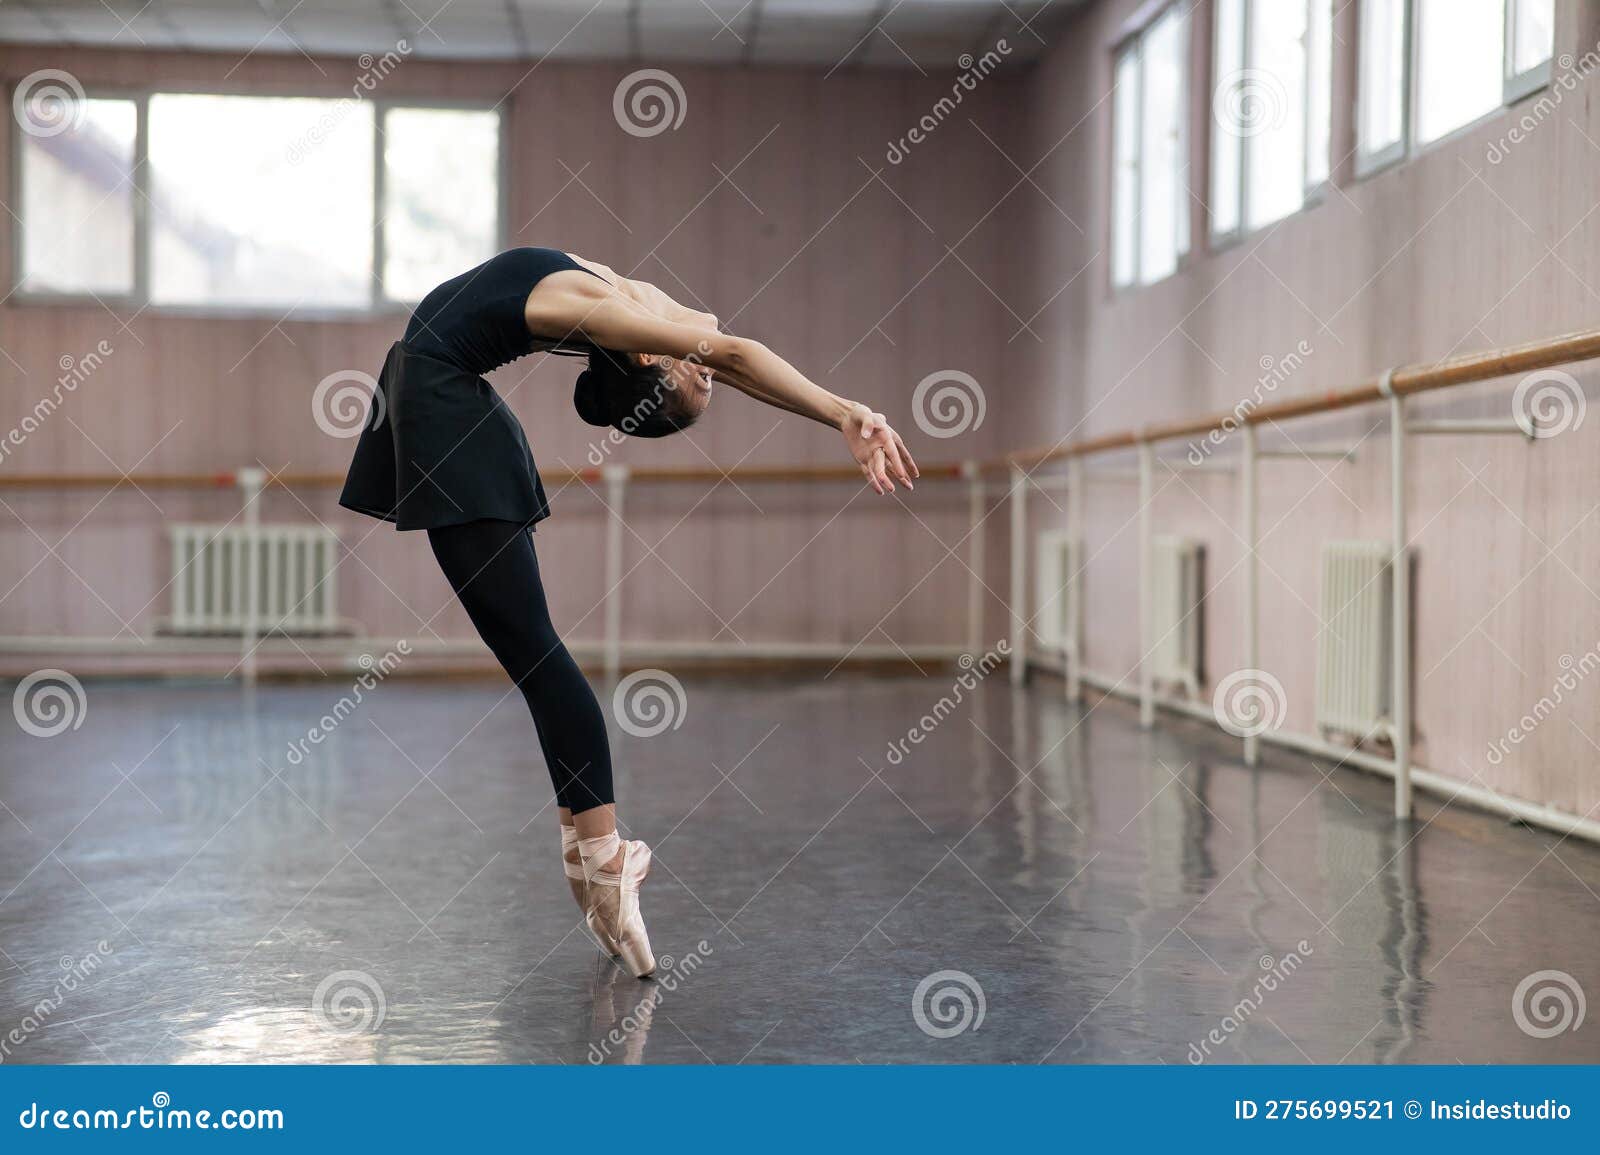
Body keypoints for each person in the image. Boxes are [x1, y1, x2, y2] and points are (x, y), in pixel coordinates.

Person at [338, 248, 918, 978]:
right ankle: (595, 851)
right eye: (697, 379)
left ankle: (596, 850)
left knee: (536, 657)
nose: (705, 372)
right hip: (442, 407)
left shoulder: (622, 315)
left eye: (695, 379)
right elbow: (727, 346)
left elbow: (722, 348)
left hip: (445, 408)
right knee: (535, 656)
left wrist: (830, 409)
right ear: (649, 359)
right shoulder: (618, 311)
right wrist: (846, 412)